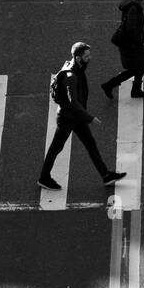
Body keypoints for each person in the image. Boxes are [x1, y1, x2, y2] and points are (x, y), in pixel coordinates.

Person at [38, 42, 126, 191]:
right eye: (86, 56)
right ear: (78, 58)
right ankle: (44, 178)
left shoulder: (77, 67)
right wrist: (90, 118)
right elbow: (73, 102)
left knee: (90, 143)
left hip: (76, 117)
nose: (89, 58)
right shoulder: (71, 76)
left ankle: (106, 175)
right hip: (68, 118)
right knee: (56, 148)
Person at [101, 0, 144, 100]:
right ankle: (110, 85)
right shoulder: (134, 9)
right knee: (138, 66)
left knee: (142, 64)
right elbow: (131, 29)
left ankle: (135, 89)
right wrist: (138, 41)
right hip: (130, 44)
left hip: (131, 43)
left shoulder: (132, 5)